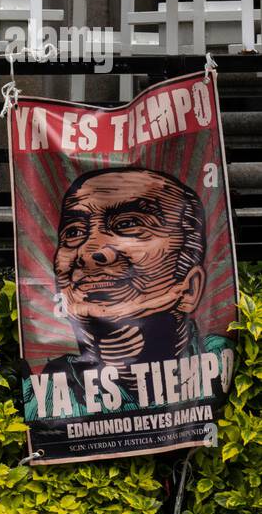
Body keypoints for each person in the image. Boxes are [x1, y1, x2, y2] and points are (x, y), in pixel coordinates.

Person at [25, 166, 235, 420]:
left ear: (190, 288)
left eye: (128, 224)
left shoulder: (223, 366)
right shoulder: (43, 395)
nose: (88, 254)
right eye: (74, 232)